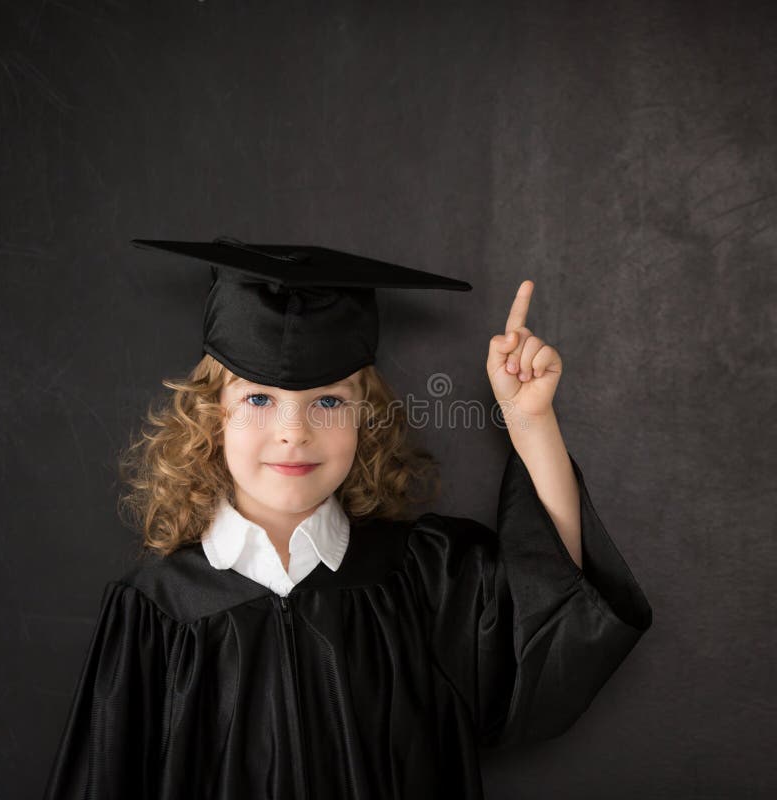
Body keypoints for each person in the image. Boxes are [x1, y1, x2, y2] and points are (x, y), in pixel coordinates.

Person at [42, 239, 653, 799]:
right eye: (258, 398)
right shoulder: (156, 613)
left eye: (329, 401)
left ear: (367, 416)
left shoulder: (421, 578)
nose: (292, 433)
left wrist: (530, 423)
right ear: (211, 416)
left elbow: (549, 633)